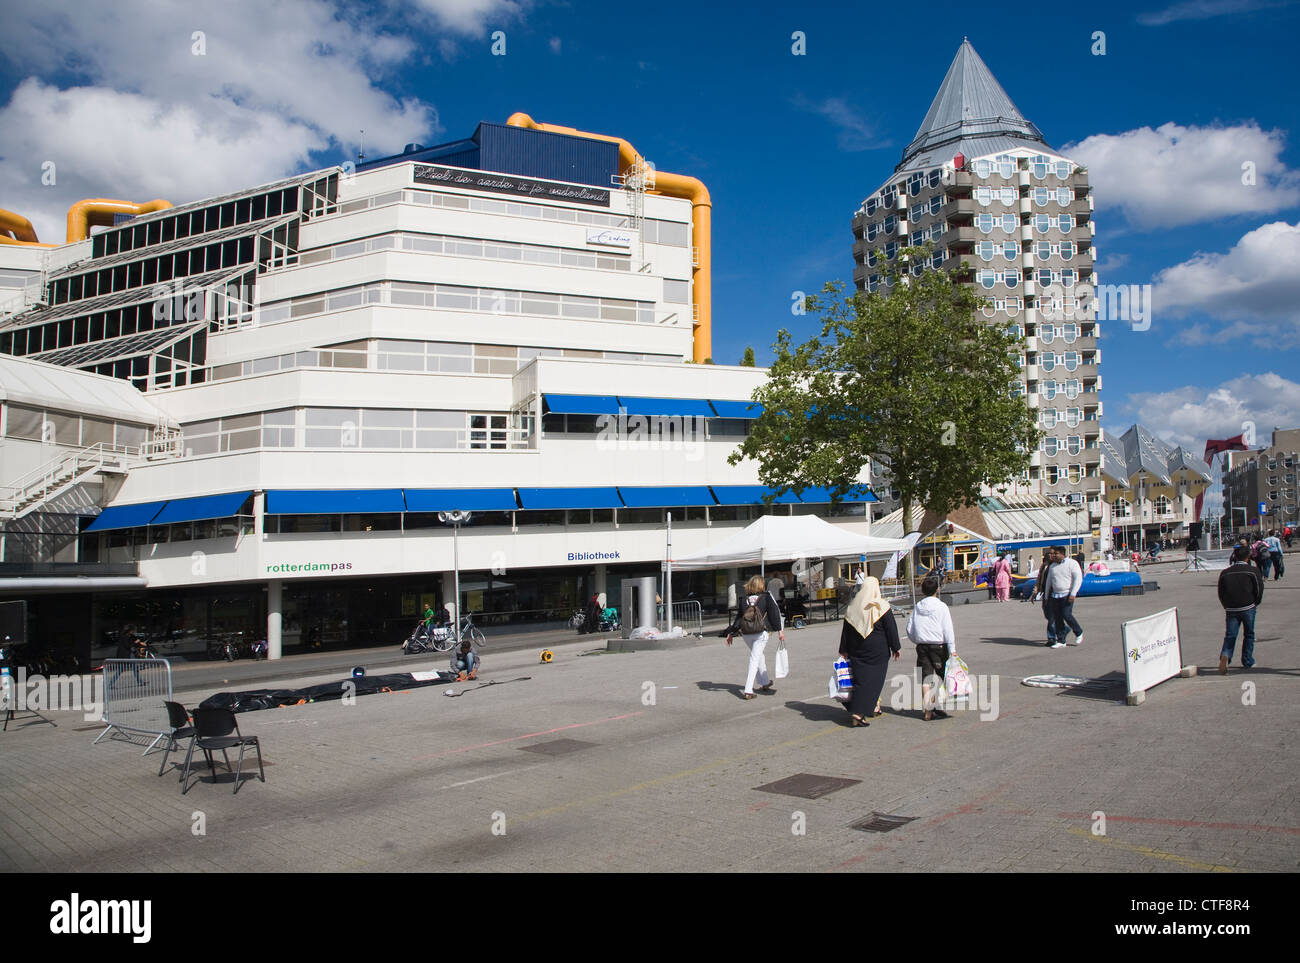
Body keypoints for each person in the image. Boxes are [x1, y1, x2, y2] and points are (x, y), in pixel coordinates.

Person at [837, 576, 900, 727]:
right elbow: (891, 629)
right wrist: (895, 647)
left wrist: (843, 649)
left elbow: (846, 631)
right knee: (873, 682)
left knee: (860, 681)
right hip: (877, 651)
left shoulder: (853, 606)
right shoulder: (881, 606)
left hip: (856, 650)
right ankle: (858, 713)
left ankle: (870, 707)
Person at [724, 575, 785, 700]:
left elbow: (739, 618)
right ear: (761, 585)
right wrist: (780, 630)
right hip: (760, 633)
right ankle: (748, 690)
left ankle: (765, 682)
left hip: (746, 634)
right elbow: (774, 614)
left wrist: (731, 633)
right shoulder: (766, 597)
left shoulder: (743, 599)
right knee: (755, 659)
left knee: (758, 656)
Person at [905, 575, 955, 721]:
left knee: (926, 678)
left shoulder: (918, 606)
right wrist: (952, 649)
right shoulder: (941, 606)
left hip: (922, 646)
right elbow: (948, 629)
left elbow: (910, 628)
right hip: (939, 645)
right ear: (937, 590)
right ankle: (938, 704)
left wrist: (916, 640)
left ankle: (928, 710)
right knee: (945, 676)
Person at [1217, 545, 1264, 673]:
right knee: (1249, 634)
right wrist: (1256, 602)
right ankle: (1247, 660)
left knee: (1230, 635)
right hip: (1248, 606)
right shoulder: (1253, 571)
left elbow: (1221, 592)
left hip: (1231, 608)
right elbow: (1259, 589)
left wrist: (1225, 605)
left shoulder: (1225, 572)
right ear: (1248, 557)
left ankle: (1226, 655)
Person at [1044, 545, 1083, 648]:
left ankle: (1078, 632)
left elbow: (1078, 578)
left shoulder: (1072, 564)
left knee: (1067, 615)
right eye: (1053, 554)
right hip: (1055, 595)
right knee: (1058, 618)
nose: (1054, 556)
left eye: (1056, 554)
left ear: (1062, 554)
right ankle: (1061, 640)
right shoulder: (1052, 566)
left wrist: (1073, 593)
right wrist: (1046, 596)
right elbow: (1049, 582)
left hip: (1067, 594)